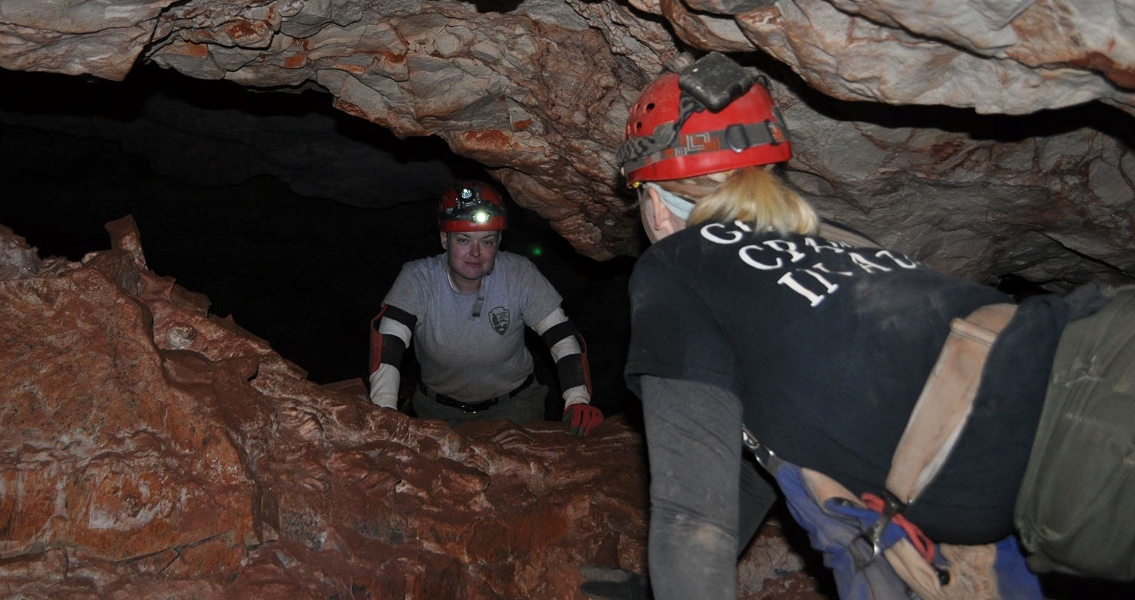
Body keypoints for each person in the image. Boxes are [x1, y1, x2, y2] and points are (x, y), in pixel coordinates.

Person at [609, 52, 1135, 600]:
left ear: (656, 203)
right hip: (1100, 344)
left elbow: (692, 515)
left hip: (1086, 434)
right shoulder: (834, 240)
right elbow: (749, 457)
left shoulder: (672, 266)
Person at [368, 181, 604, 435]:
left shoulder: (519, 274)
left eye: (487, 242)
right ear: (445, 239)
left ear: (499, 241)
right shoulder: (418, 278)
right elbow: (389, 341)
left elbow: (561, 336)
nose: (475, 253)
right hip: (438, 413)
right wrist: (384, 408)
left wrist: (577, 399)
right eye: (464, 240)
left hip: (515, 407)